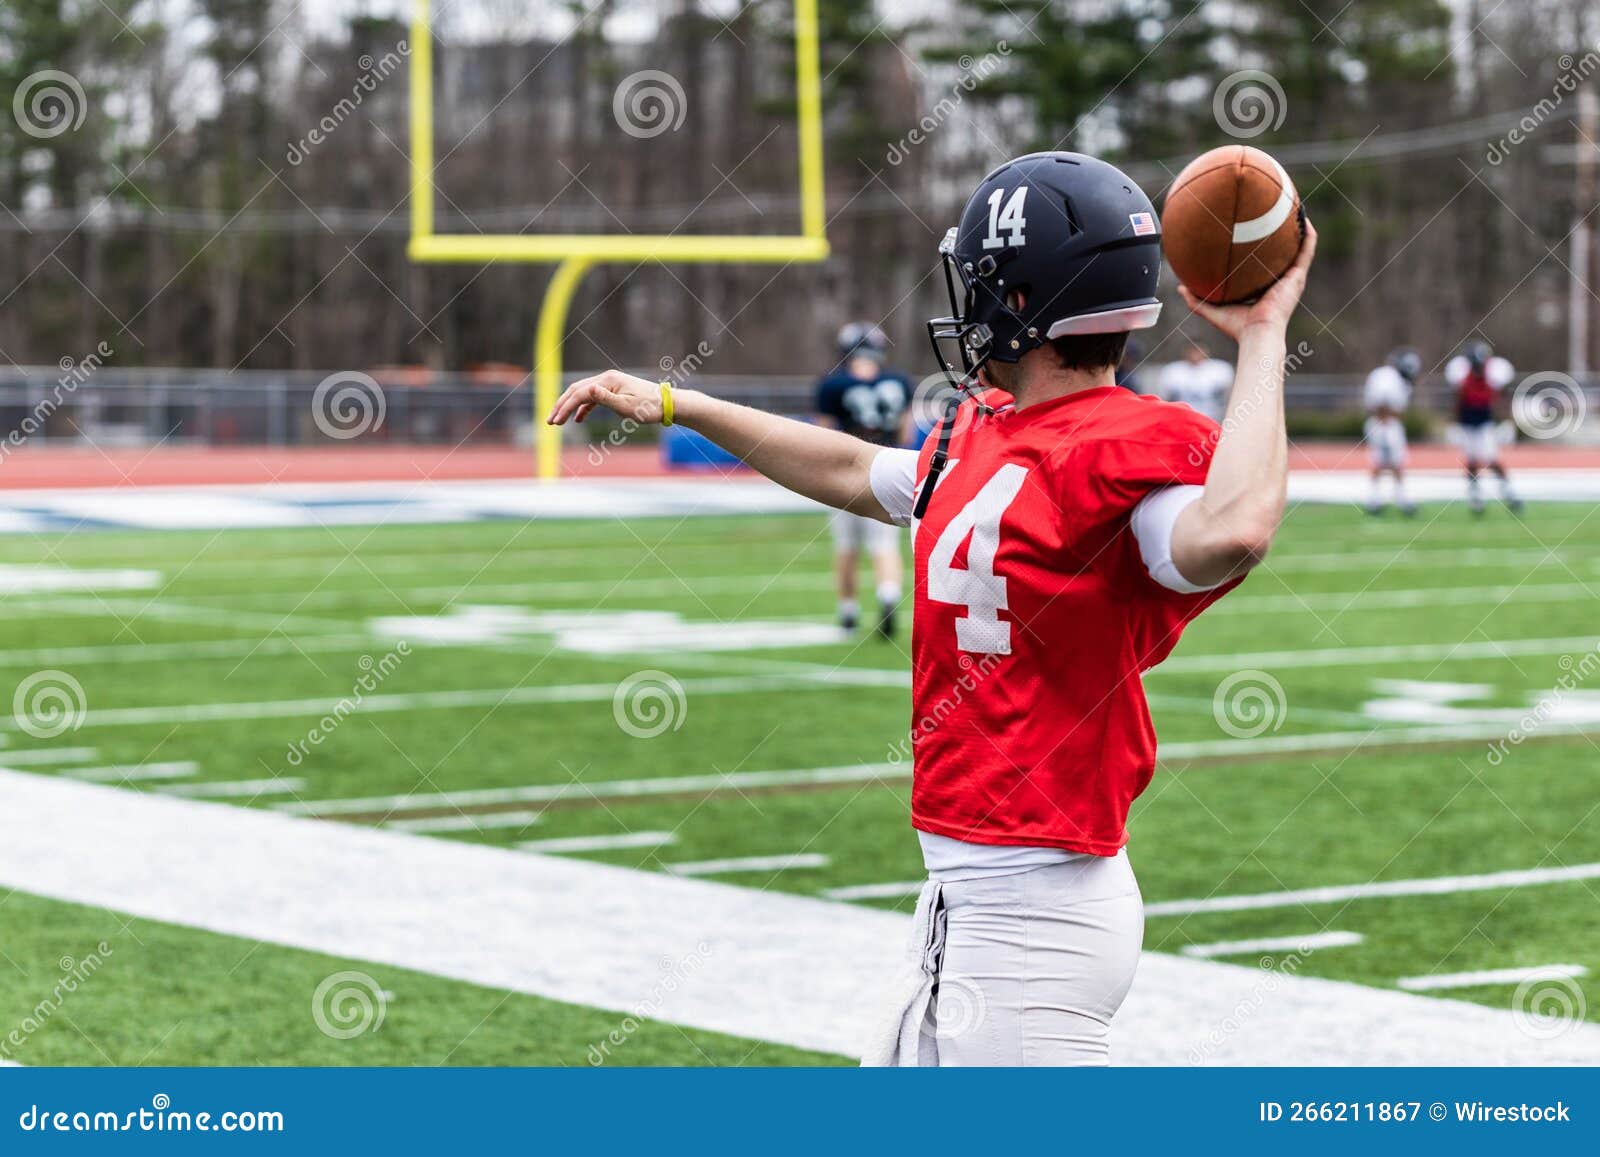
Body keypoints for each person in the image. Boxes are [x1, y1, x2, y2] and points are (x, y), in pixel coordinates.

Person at [548, 151, 1317, 1066]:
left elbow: (1231, 530)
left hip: (1037, 909)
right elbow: (846, 466)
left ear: (1023, 302)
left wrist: (1265, 333)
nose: (969, 298)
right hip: (969, 897)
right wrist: (681, 402)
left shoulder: (1120, 453)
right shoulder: (980, 432)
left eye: (986, 279)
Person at [814, 323, 912, 637]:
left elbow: (822, 435)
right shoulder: (898, 381)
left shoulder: (832, 386)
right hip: (888, 467)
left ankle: (848, 613)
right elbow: (907, 433)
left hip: (846, 470)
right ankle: (887, 597)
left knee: (847, 547)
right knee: (884, 545)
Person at [1445, 340, 1521, 514]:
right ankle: (1475, 498)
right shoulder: (1461, 374)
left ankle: (1509, 493)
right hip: (1467, 422)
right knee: (1471, 462)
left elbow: (1501, 396)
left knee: (1492, 460)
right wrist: (1453, 421)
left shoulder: (1494, 372)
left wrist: (1507, 419)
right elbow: (1457, 399)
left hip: (1485, 422)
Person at [1362, 348, 1420, 516]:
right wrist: (1385, 422)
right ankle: (1391, 502)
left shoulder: (1391, 377)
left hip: (1386, 424)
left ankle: (1381, 501)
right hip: (1384, 425)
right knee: (1387, 463)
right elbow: (1381, 402)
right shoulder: (1387, 377)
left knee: (1390, 463)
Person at [1157, 340, 1233, 422]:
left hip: (1213, 419)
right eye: (1192, 351)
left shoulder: (1220, 369)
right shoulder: (1172, 370)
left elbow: (1228, 397)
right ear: (1185, 352)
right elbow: (1165, 399)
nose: (1195, 355)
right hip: (1182, 419)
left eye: (1198, 351)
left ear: (1206, 351)